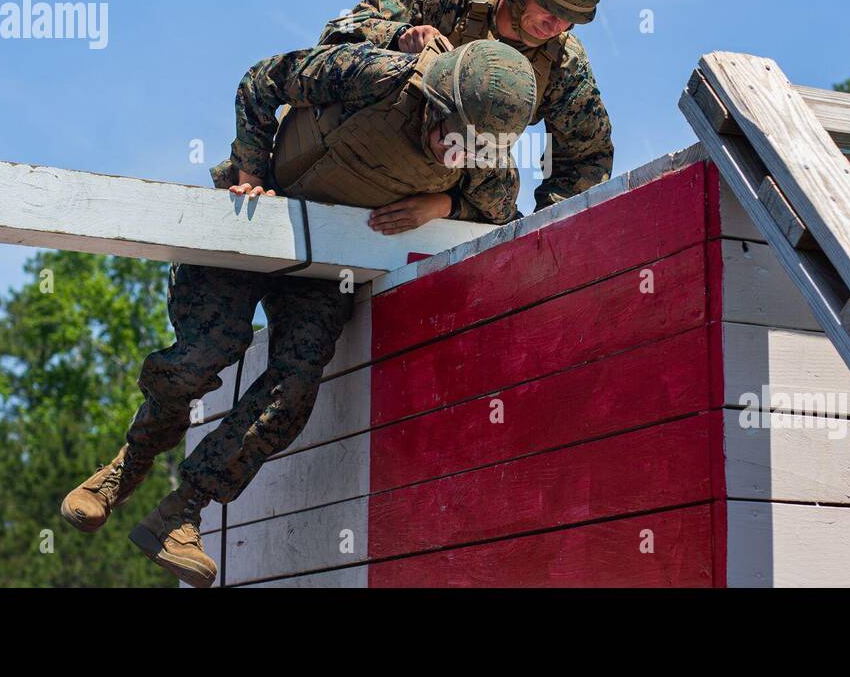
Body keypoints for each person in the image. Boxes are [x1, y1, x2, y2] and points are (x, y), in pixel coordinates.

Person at [60, 39, 538, 587]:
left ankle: (181, 514)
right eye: (454, 140)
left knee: (293, 388)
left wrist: (446, 204)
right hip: (253, 220)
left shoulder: (486, 152)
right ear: (434, 103)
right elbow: (261, 81)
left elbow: (499, 211)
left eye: (476, 151)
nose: (461, 156)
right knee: (201, 358)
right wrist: (251, 170)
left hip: (325, 264)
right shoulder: (377, 77)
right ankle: (124, 470)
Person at [321, 0, 613, 210]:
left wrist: (549, 229)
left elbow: (586, 158)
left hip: (441, 197)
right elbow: (336, 37)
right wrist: (397, 39)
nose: (557, 25)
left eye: (570, 17)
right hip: (352, 158)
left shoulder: (563, 62)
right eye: (550, 9)